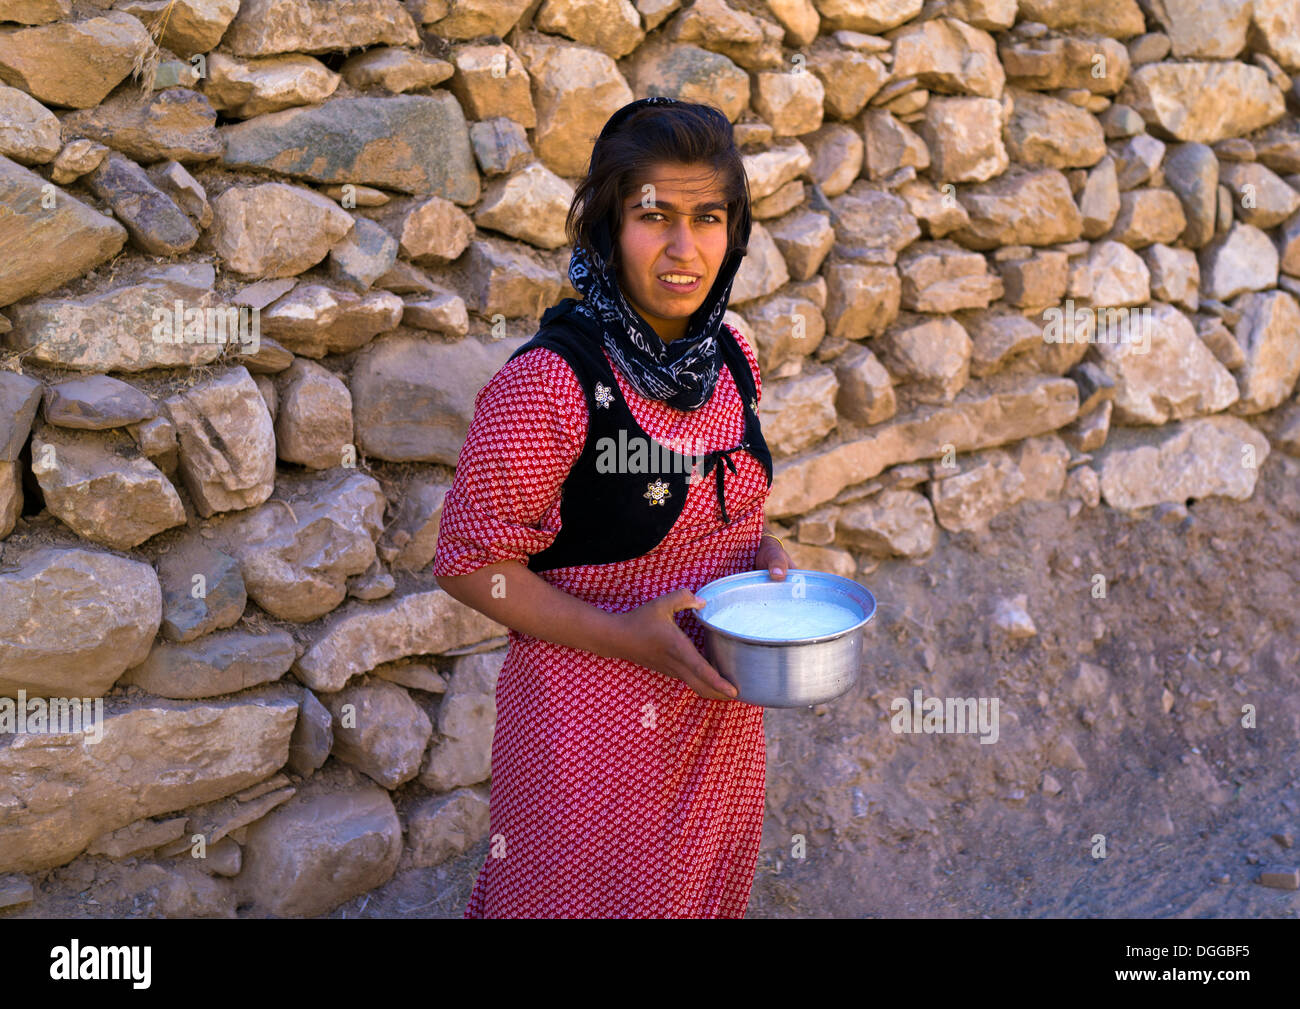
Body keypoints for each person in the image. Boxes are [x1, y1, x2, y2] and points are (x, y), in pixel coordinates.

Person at [431, 96, 793, 918]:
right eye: (652, 215)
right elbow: (468, 564)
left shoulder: (729, 355)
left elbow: (723, 507)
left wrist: (762, 553)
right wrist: (624, 634)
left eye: (708, 218)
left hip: (717, 726)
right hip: (588, 736)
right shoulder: (549, 384)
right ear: (607, 224)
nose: (683, 248)